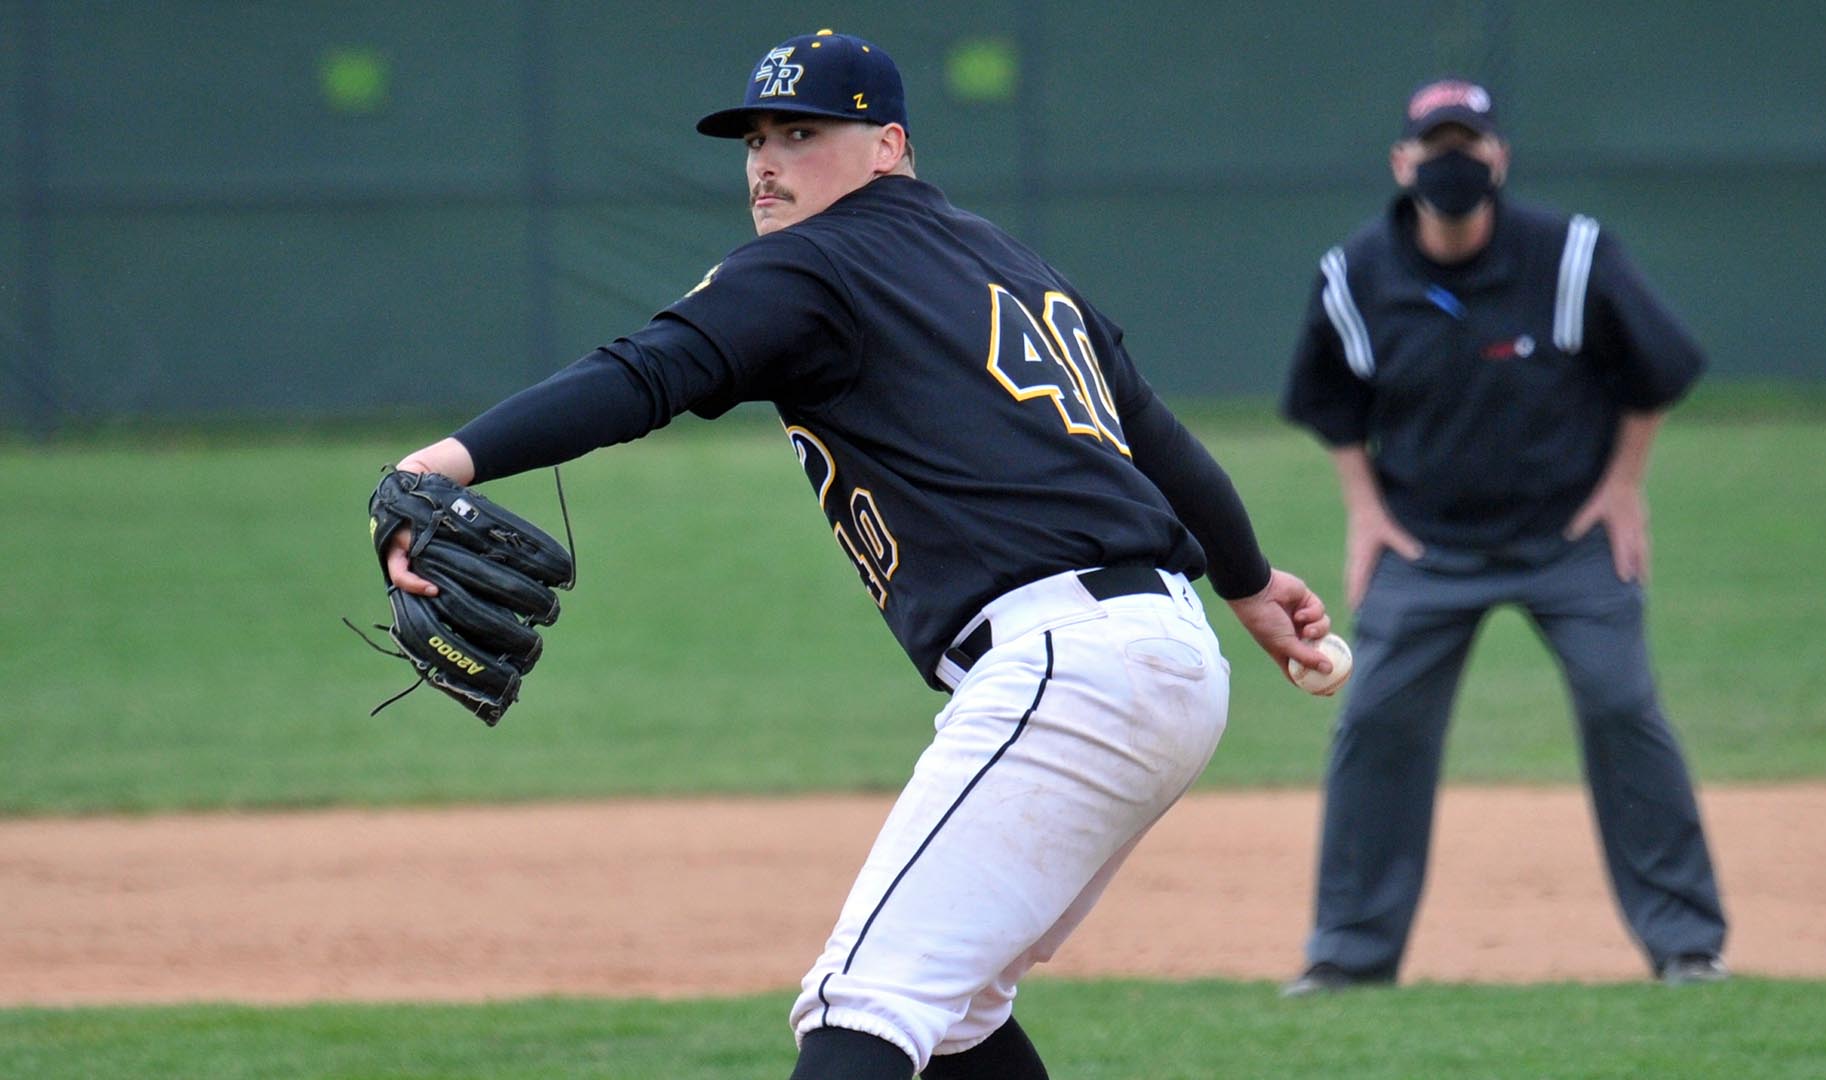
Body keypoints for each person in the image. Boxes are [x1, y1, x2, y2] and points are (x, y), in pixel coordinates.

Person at [381, 29, 1333, 1079]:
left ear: (888, 146)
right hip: (1156, 655)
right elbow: (1154, 438)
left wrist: (445, 463)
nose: (766, 163)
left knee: (860, 1007)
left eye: (802, 134)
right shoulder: (1005, 261)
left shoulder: (812, 263)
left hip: (1068, 667)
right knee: (958, 1017)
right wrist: (1246, 581)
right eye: (755, 139)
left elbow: (648, 370)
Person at [1278, 78, 1729, 995]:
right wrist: (1365, 510)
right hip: (1425, 545)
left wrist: (1623, 486)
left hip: (1567, 535)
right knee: (1375, 722)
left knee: (1621, 705)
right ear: (1402, 163)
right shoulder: (1355, 276)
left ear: (1499, 159)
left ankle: (1687, 946)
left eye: (1469, 146)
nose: (1453, 164)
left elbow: (1657, 370)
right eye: (1434, 148)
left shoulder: (1571, 256)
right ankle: (1349, 956)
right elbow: (1331, 404)